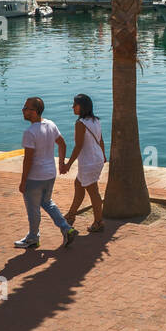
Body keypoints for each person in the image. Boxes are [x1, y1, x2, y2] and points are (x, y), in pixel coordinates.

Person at [16, 97, 78, 249]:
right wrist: (61, 163)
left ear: (34, 112)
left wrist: (23, 181)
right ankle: (66, 228)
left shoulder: (30, 132)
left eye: (26, 108)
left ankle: (33, 238)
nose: (23, 111)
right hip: (50, 174)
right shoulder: (50, 124)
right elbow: (62, 143)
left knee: (33, 209)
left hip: (35, 177)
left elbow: (28, 160)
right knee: (47, 202)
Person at [62, 93, 107, 234]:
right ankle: (71, 215)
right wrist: (104, 156)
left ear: (82, 106)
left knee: (93, 191)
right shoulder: (96, 121)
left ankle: (98, 221)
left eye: (75, 104)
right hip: (96, 158)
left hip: (88, 161)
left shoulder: (80, 123)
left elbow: (78, 146)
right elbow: (101, 140)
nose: (72, 107)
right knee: (79, 185)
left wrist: (68, 164)